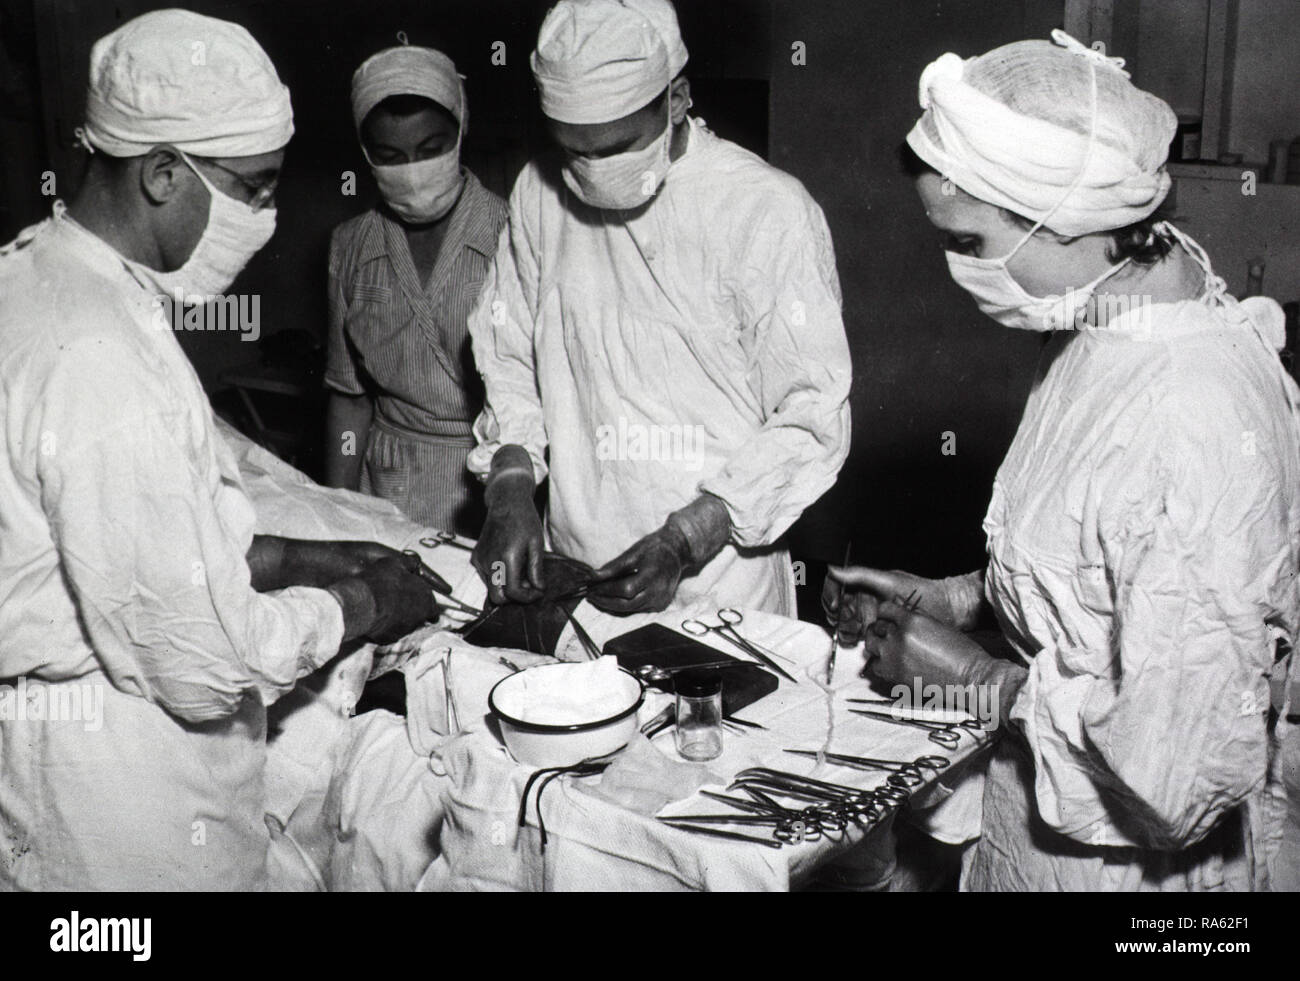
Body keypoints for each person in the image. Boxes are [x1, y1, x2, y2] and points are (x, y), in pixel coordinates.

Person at [825, 31, 1300, 891]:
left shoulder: (1189, 413)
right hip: (1036, 827)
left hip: (1138, 877)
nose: (957, 269)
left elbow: (1174, 771)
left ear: (1070, 221)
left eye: (970, 242)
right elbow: (1104, 568)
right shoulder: (1103, 318)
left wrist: (972, 678)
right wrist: (963, 598)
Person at [0, 9, 434, 890]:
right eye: (256, 188)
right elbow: (207, 664)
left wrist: (311, 552)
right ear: (163, 173)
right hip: (119, 807)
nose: (268, 216)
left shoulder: (44, 276)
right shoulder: (98, 360)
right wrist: (361, 600)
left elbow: (154, 546)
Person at [468, 0, 851, 616]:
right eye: (574, 151)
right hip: (572, 562)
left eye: (617, 147)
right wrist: (511, 483)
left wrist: (687, 537)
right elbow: (508, 351)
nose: (592, 174)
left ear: (676, 99)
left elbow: (811, 413)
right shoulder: (537, 193)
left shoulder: (764, 211)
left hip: (721, 578)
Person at [325, 40, 507, 537]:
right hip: (384, 486)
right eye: (390, 156)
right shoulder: (352, 246)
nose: (413, 171)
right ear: (365, 154)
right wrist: (337, 508)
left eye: (431, 150)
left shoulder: (510, 235)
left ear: (461, 129)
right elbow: (350, 397)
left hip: (489, 488)